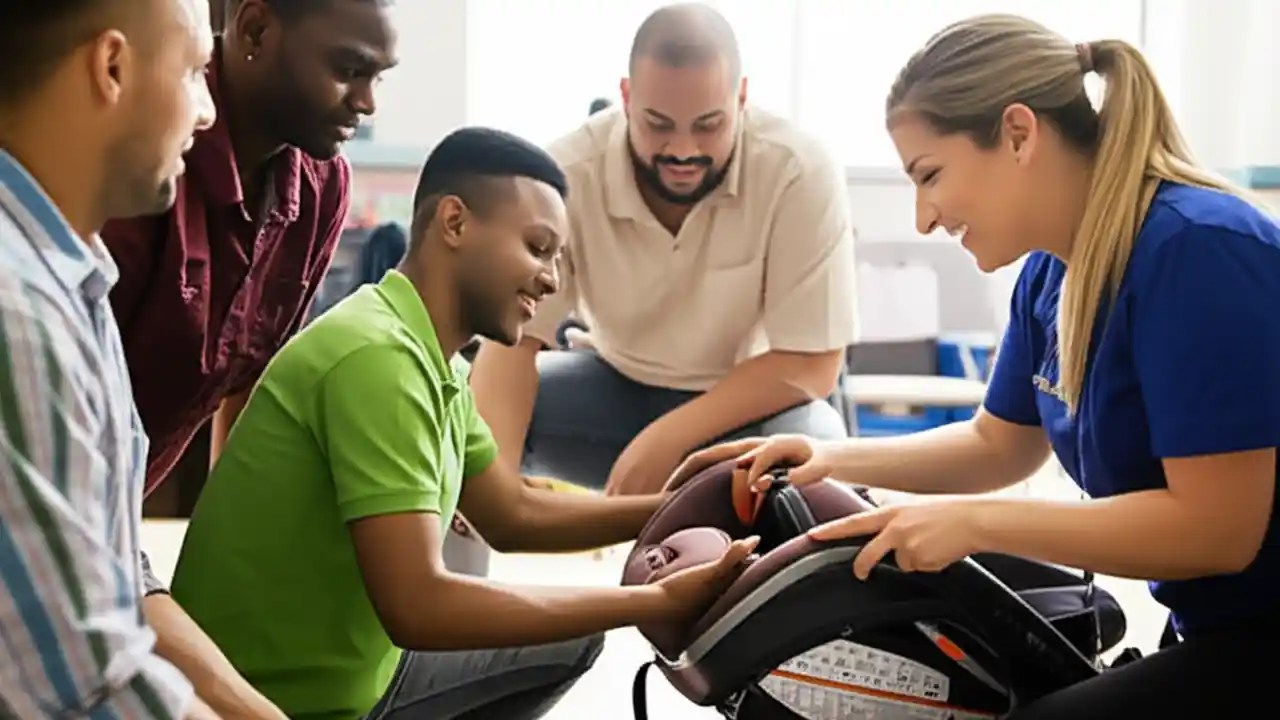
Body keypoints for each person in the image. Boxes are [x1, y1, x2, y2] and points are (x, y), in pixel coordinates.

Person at [670, 13, 1280, 719]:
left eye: (930, 176)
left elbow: (1217, 531)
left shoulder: (1199, 251)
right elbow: (997, 444)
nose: (924, 217)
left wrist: (975, 524)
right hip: (1214, 626)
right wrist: (828, 460)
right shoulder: (1054, 276)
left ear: (1019, 133)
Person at [167, 127, 758, 720]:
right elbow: (418, 607)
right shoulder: (377, 358)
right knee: (575, 625)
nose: (552, 279)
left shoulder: (434, 361)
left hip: (361, 680)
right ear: (454, 223)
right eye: (537, 247)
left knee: (572, 640)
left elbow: (512, 513)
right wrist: (646, 601)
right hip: (272, 703)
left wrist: (687, 503)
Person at [98, 1, 398, 716]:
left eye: (379, 76)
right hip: (78, 500)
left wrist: (231, 563)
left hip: (117, 512)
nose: (366, 101)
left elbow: (253, 391)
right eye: (348, 69)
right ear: (257, 32)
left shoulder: (322, 186)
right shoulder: (141, 168)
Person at [469, 2, 858, 497]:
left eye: (708, 125)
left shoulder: (799, 170)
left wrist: (668, 439)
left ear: (742, 99)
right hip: (611, 389)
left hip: (749, 408)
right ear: (626, 98)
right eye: (658, 124)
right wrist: (493, 492)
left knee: (815, 451)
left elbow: (812, 362)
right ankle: (449, 575)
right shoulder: (564, 175)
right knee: (462, 426)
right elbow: (513, 343)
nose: (681, 149)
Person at [0, 0, 219, 716]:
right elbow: (91, 692)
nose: (207, 112)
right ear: (113, 67)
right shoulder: (18, 313)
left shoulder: (69, 280)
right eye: (193, 73)